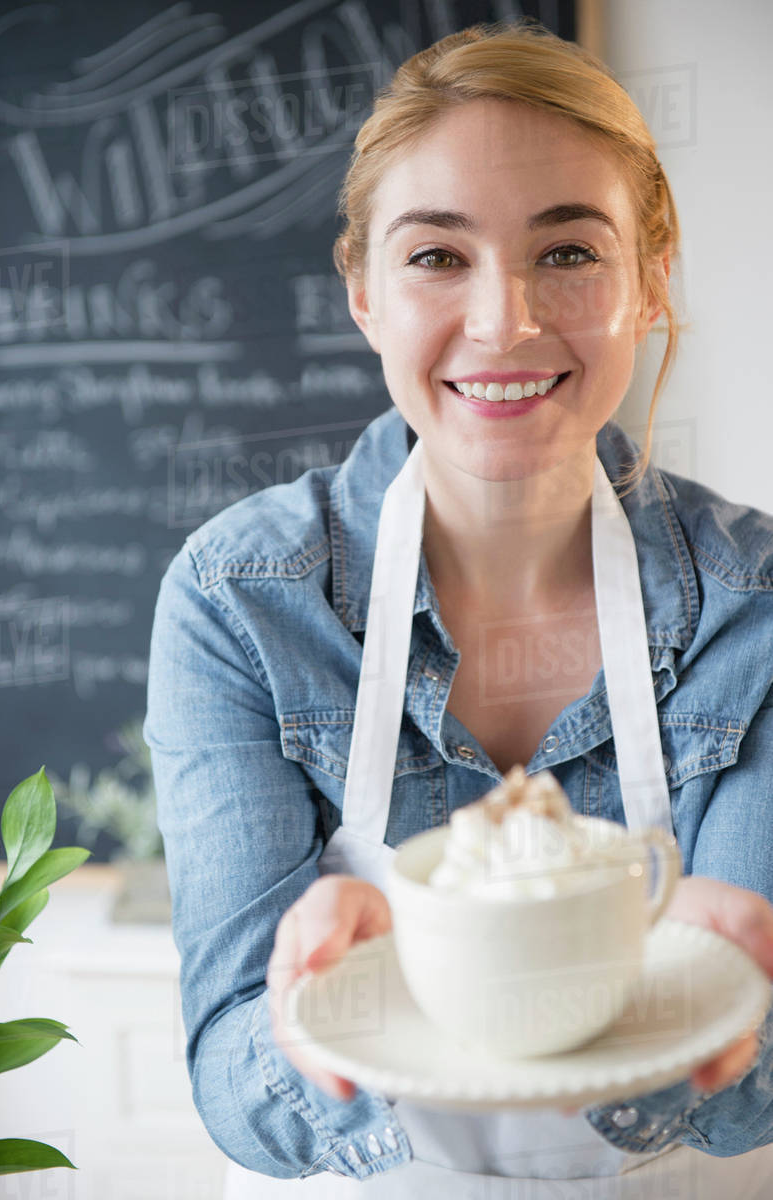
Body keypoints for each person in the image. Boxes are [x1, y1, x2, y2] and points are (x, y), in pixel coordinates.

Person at [145, 21, 773, 1199]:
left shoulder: (758, 609)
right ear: (364, 293)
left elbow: (750, 1103)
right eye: (438, 256)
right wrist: (306, 1023)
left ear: (648, 281)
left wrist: (734, 1032)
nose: (504, 322)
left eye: (570, 252)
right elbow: (234, 1089)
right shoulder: (239, 603)